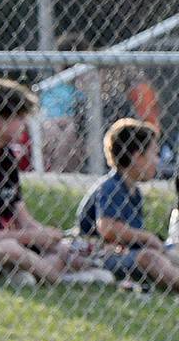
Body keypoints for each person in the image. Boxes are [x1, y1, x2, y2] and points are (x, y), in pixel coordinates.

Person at [0, 78, 110, 286]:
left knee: (60, 249)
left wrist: (48, 238)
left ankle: (28, 273)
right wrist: (30, 237)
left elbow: (24, 219)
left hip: (6, 242)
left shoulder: (5, 157)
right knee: (10, 249)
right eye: (20, 117)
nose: (25, 125)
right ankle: (63, 281)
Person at [75, 118, 179, 292]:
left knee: (170, 252)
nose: (158, 161)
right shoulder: (111, 186)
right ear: (137, 157)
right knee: (149, 257)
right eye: (155, 154)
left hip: (122, 253)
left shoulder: (134, 192)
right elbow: (107, 229)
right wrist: (147, 238)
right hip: (96, 255)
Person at [38, 32, 91, 172]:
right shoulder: (52, 85)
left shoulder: (86, 86)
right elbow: (46, 114)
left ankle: (59, 172)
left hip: (75, 129)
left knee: (70, 131)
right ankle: (56, 173)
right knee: (50, 129)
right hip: (53, 126)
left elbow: (83, 117)